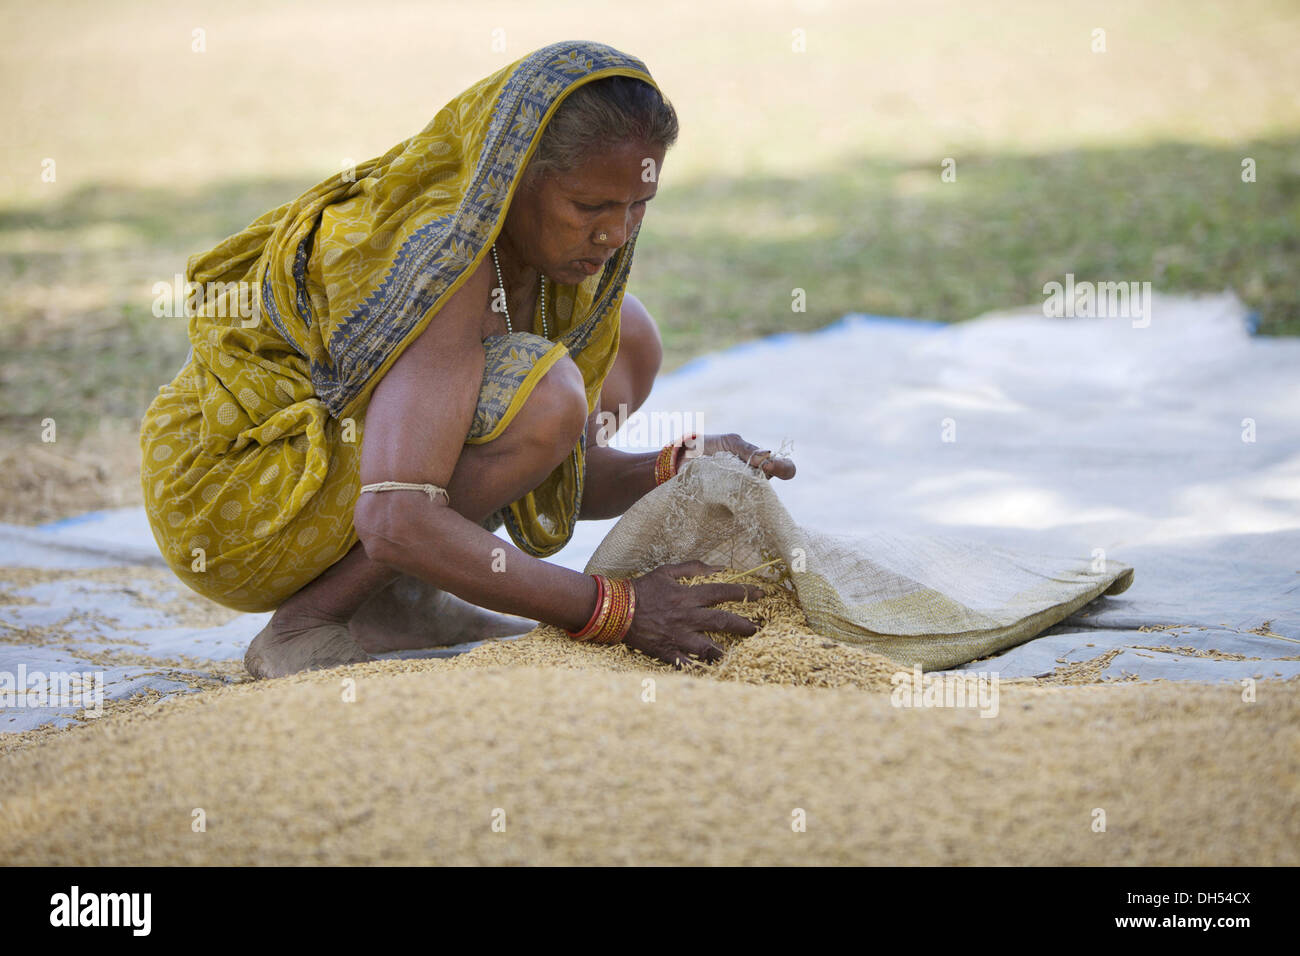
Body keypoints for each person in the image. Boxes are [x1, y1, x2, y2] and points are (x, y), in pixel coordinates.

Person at [139, 40, 795, 679]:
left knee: (629, 337)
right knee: (547, 393)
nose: (616, 233)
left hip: (350, 492)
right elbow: (397, 520)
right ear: (515, 179)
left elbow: (547, 471)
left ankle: (396, 604)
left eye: (637, 206)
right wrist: (619, 610)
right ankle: (305, 622)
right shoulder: (449, 260)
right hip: (230, 498)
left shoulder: (552, 271)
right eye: (589, 207)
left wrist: (675, 467)